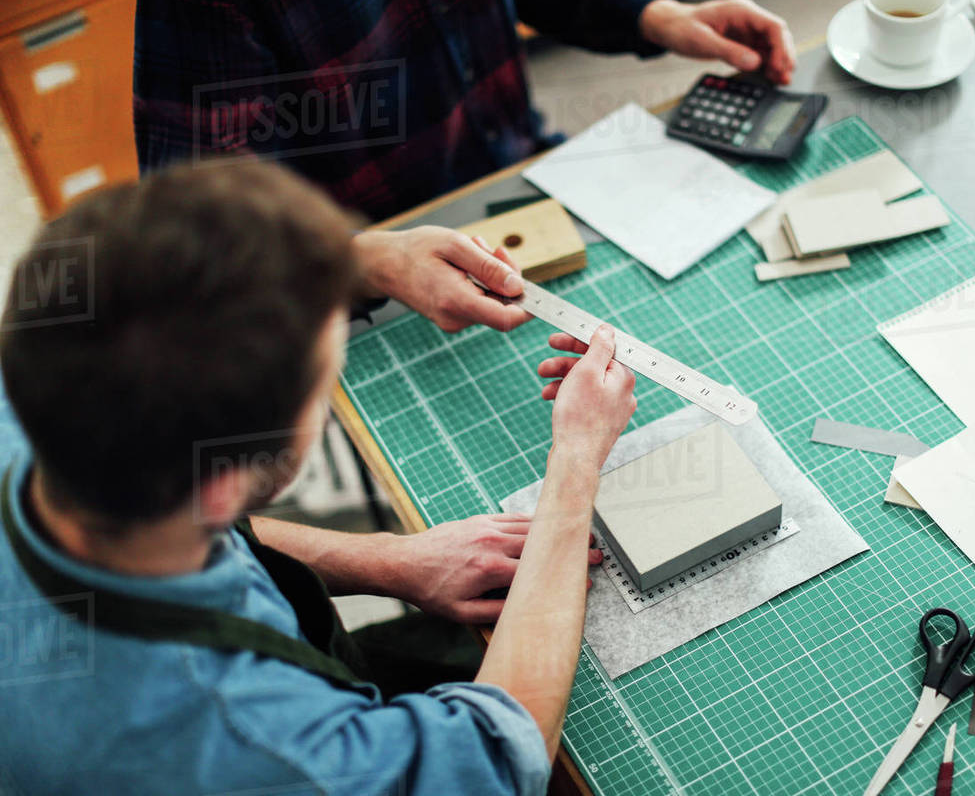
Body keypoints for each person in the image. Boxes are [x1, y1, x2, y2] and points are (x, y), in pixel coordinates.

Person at [0, 160, 636, 795]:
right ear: (222, 487)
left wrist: (357, 261)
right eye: (323, 385)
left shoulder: (44, 375)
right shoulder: (266, 749)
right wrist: (576, 459)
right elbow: (496, 759)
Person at [133, 0, 797, 333]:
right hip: (364, 276)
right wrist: (366, 262)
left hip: (519, 173)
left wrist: (654, 15)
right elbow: (199, 223)